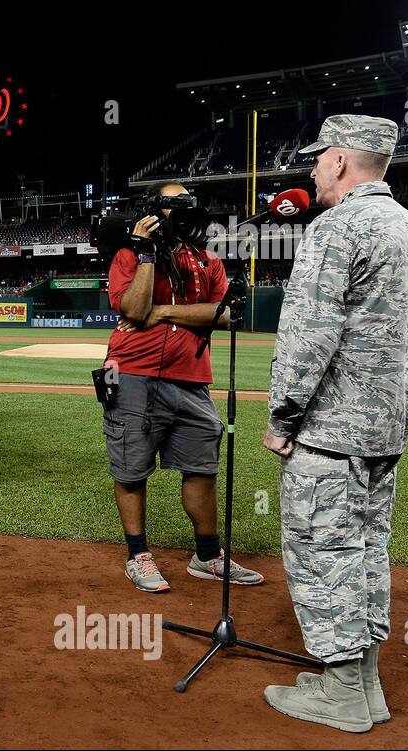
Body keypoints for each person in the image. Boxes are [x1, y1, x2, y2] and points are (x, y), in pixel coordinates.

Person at [262, 115, 408, 733]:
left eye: (317, 159)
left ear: (338, 160)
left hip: (332, 432)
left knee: (322, 554)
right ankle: (365, 686)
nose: (310, 169)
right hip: (387, 430)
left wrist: (282, 417)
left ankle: (342, 696)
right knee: (364, 553)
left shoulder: (336, 227)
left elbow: (308, 337)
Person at [94, 183, 263, 593]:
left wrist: (165, 312)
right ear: (154, 212)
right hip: (132, 373)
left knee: (202, 468)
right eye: (173, 207)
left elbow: (223, 316)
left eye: (188, 206)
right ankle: (138, 556)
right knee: (132, 468)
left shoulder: (209, 260)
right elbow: (132, 309)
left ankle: (207, 556)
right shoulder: (129, 256)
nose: (183, 212)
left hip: (192, 378)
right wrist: (148, 252)